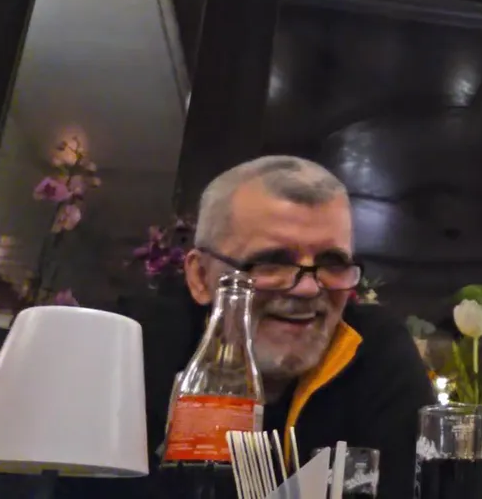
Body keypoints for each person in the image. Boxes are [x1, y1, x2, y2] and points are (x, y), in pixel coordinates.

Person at [61, 156, 435, 499]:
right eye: (272, 262)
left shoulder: (376, 352)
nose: (307, 288)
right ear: (200, 276)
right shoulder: (134, 352)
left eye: (332, 263)